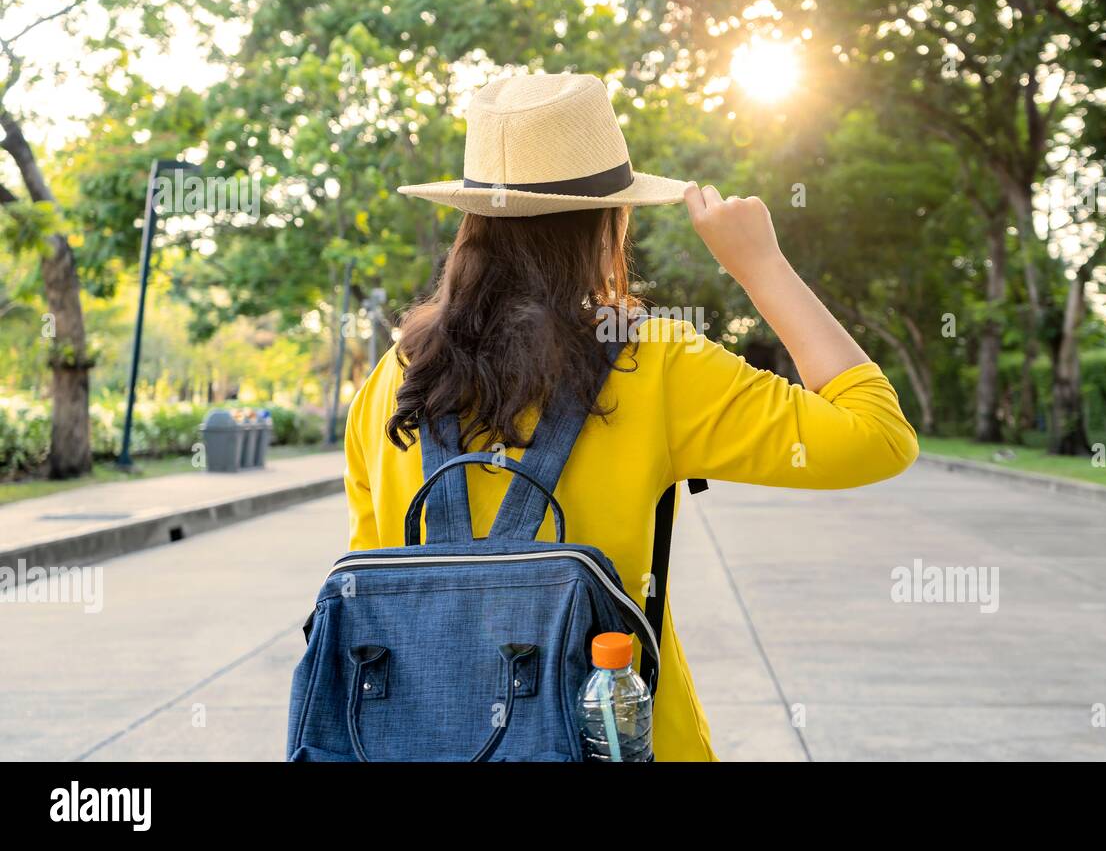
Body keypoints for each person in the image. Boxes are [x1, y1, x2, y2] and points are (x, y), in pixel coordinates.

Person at [343, 72, 918, 761]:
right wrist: (761, 265)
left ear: (474, 222)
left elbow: (375, 582)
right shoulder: (655, 360)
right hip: (621, 744)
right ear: (612, 219)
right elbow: (878, 436)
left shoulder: (394, 379)